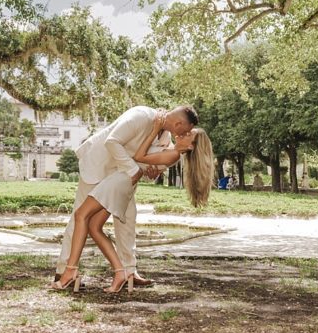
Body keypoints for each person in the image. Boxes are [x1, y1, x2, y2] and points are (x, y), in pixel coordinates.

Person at [52, 112, 214, 293]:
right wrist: (141, 169)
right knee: (83, 220)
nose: (184, 134)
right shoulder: (141, 116)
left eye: (188, 134)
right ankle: (64, 270)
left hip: (121, 179)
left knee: (119, 222)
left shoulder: (169, 142)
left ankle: (125, 271)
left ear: (191, 146)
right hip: (101, 165)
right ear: (178, 123)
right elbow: (113, 143)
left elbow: (145, 159)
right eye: (186, 130)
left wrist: (149, 170)